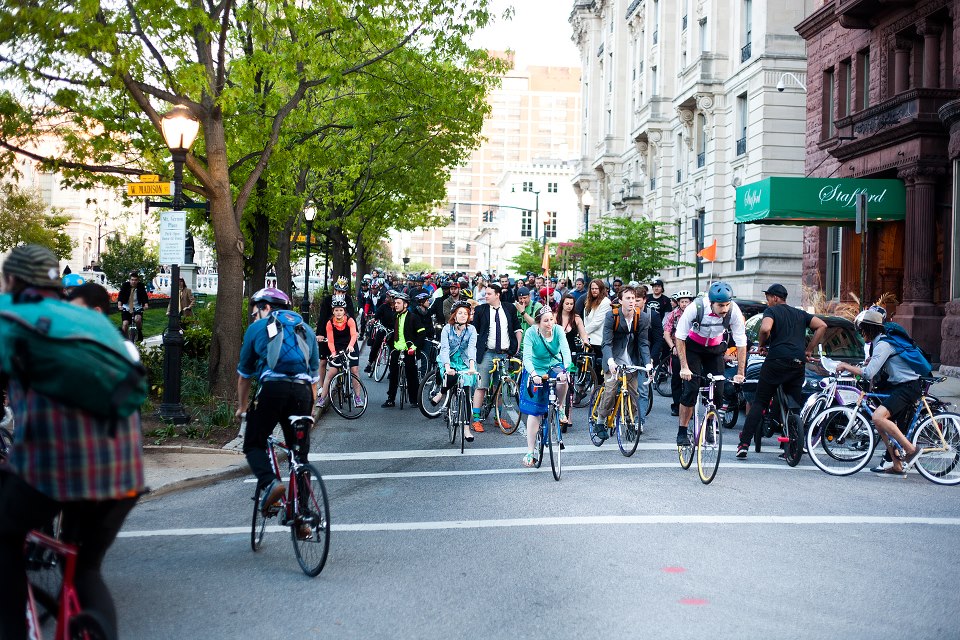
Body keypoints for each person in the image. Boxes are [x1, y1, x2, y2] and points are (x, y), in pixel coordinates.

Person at [0, 245, 144, 640]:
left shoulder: (10, 317)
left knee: (4, 537)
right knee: (86, 568)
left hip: (53, 466)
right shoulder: (92, 321)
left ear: (11, 280)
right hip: (124, 472)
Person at [236, 287, 320, 526]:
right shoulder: (306, 330)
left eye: (255, 313)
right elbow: (314, 380)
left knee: (253, 443)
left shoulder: (257, 329)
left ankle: (271, 483)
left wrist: (242, 407)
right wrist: (310, 412)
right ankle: (302, 517)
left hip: (273, 390)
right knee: (299, 455)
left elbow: (244, 375)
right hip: (303, 394)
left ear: (266, 307)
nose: (255, 317)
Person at [736, 284, 827, 458]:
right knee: (793, 404)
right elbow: (822, 325)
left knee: (760, 402)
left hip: (776, 361)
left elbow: (765, 329)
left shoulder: (771, 311)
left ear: (776, 298)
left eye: (768, 298)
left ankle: (744, 444)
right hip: (797, 363)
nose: (768, 301)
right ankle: (792, 446)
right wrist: (809, 350)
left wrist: (762, 345)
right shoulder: (800, 314)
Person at [834, 310, 923, 475]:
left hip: (908, 387)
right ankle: (897, 464)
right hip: (901, 385)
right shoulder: (881, 343)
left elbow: (868, 373)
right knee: (880, 423)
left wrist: (846, 366)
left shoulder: (883, 344)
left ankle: (911, 449)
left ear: (869, 329)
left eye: (862, 330)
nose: (861, 334)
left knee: (877, 417)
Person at [675, 282, 747, 446]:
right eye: (720, 305)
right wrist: (684, 367)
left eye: (727, 304)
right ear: (711, 302)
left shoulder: (734, 311)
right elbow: (680, 336)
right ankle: (682, 431)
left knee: (719, 392)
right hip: (693, 348)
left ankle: (709, 423)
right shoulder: (696, 308)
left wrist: (740, 372)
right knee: (691, 389)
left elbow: (741, 342)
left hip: (715, 350)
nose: (724, 309)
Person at [519, 306, 573, 467]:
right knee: (534, 412)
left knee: (563, 380)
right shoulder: (531, 333)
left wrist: (565, 370)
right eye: (545, 321)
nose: (549, 323)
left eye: (551, 319)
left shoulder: (558, 330)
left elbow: (566, 352)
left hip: (554, 365)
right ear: (538, 322)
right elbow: (527, 357)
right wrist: (533, 374)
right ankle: (530, 451)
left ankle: (560, 406)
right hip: (536, 368)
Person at [594, 287, 651, 439]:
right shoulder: (612, 316)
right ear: (620, 301)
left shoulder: (642, 317)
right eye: (628, 298)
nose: (632, 301)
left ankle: (630, 420)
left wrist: (648, 364)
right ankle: (600, 421)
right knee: (610, 391)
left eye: (633, 298)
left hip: (631, 360)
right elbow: (606, 343)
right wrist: (610, 361)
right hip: (613, 359)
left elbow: (643, 343)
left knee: (634, 394)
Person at [471, 283, 522, 433]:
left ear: (497, 295)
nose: (485, 296)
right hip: (487, 352)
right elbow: (474, 332)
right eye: (485, 293)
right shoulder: (481, 310)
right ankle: (476, 419)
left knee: (500, 387)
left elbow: (517, 328)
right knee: (481, 386)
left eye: (489, 294)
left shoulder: (509, 308)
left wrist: (517, 346)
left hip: (504, 353)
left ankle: (497, 417)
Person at [435, 301, 479, 441]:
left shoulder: (471, 330)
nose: (463, 315)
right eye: (460, 313)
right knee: (451, 375)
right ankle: (441, 393)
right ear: (454, 315)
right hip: (450, 359)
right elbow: (445, 349)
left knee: (466, 393)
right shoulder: (447, 329)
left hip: (465, 362)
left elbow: (472, 348)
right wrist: (447, 367)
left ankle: (466, 428)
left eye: (466, 313)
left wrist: (471, 367)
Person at [317, 297, 364, 409]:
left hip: (351, 345)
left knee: (354, 370)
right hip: (337, 347)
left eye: (341, 310)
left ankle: (357, 398)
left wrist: (351, 346)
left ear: (344, 311)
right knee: (331, 372)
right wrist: (333, 352)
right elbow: (330, 340)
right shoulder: (330, 323)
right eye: (336, 310)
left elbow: (354, 335)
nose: (338, 312)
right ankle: (322, 398)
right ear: (333, 311)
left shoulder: (350, 320)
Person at [382, 291, 426, 408]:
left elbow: (422, 334)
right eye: (395, 303)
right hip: (397, 349)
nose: (395, 305)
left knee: (411, 374)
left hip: (409, 349)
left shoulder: (413, 317)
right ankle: (391, 399)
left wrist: (414, 347)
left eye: (398, 303)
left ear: (405, 305)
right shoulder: (395, 316)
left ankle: (414, 400)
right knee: (393, 374)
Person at [556, 293, 591, 432]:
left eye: (571, 304)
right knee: (557, 383)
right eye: (567, 303)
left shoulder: (576, 318)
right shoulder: (555, 317)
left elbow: (583, 333)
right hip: (556, 355)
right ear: (562, 304)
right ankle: (556, 409)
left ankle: (568, 414)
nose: (569, 306)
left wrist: (586, 341)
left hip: (571, 356)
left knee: (570, 385)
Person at [315, 276, 356, 392]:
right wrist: (320, 334)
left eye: (343, 292)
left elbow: (352, 316)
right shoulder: (327, 300)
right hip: (327, 331)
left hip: (341, 334)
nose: (340, 294)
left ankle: (341, 381)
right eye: (338, 291)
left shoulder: (347, 300)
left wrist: (355, 332)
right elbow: (322, 317)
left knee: (342, 358)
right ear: (334, 290)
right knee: (323, 361)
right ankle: (321, 386)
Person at [662, 290, 696, 416]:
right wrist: (672, 347)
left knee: (691, 380)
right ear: (678, 303)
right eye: (682, 302)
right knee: (676, 379)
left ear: (690, 302)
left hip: (692, 350)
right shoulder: (673, 315)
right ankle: (676, 406)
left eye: (686, 301)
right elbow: (666, 333)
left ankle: (689, 406)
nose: (684, 304)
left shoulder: (695, 314)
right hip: (677, 349)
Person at [581, 279, 612, 383]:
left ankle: (599, 389)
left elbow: (597, 322)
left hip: (599, 340)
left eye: (596, 288)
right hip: (588, 339)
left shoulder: (606, 302)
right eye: (592, 288)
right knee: (589, 369)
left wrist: (582, 332)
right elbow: (586, 320)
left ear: (601, 289)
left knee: (599, 371)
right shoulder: (589, 301)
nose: (594, 290)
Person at [117, 270, 149, 342]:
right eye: (132, 280)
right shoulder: (125, 285)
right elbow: (121, 295)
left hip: (137, 307)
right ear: (129, 280)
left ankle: (139, 332)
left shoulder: (141, 286)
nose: (133, 281)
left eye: (135, 280)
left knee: (138, 319)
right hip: (126, 307)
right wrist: (119, 305)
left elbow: (144, 296)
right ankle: (125, 339)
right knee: (125, 324)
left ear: (138, 281)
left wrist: (146, 305)